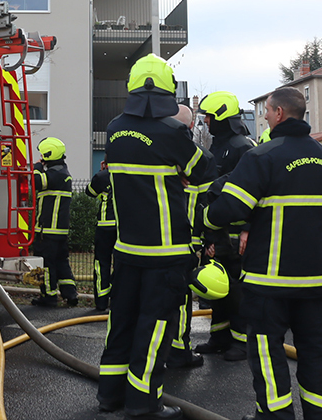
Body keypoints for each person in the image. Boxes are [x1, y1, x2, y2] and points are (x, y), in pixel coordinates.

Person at [204, 87, 322, 420]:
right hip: (314, 285)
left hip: (268, 283)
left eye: (267, 111)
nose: (265, 117)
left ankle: (274, 416)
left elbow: (229, 209)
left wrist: (205, 217)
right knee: (317, 356)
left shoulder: (262, 157)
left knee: (268, 356)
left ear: (279, 113)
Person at [97, 55, 215, 419]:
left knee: (122, 323)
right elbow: (203, 169)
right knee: (155, 326)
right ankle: (143, 403)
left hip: (127, 249)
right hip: (166, 253)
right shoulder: (171, 133)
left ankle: (110, 395)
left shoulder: (114, 128)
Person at [194, 91, 256, 362]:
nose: (206, 121)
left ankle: (241, 343)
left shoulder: (243, 147)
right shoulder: (218, 147)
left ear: (221, 115)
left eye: (209, 116)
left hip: (237, 233)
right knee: (218, 285)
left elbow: (256, 191)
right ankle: (219, 338)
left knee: (238, 289)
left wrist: (248, 228)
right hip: (217, 230)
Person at [167, 104, 208, 370]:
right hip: (188, 244)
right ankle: (179, 350)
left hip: (157, 242)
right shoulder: (200, 158)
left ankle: (163, 349)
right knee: (181, 299)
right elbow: (210, 203)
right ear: (191, 127)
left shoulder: (155, 153)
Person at [31, 137, 78, 307]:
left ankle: (49, 296)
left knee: (47, 264)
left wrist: (36, 165)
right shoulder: (64, 174)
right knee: (61, 262)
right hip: (60, 231)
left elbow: (35, 181)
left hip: (47, 231)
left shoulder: (54, 175)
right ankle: (70, 294)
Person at [86, 167, 117, 312]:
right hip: (124, 228)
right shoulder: (129, 174)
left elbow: (90, 192)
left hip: (105, 228)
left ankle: (101, 301)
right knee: (122, 265)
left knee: (101, 264)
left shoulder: (102, 176)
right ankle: (119, 299)